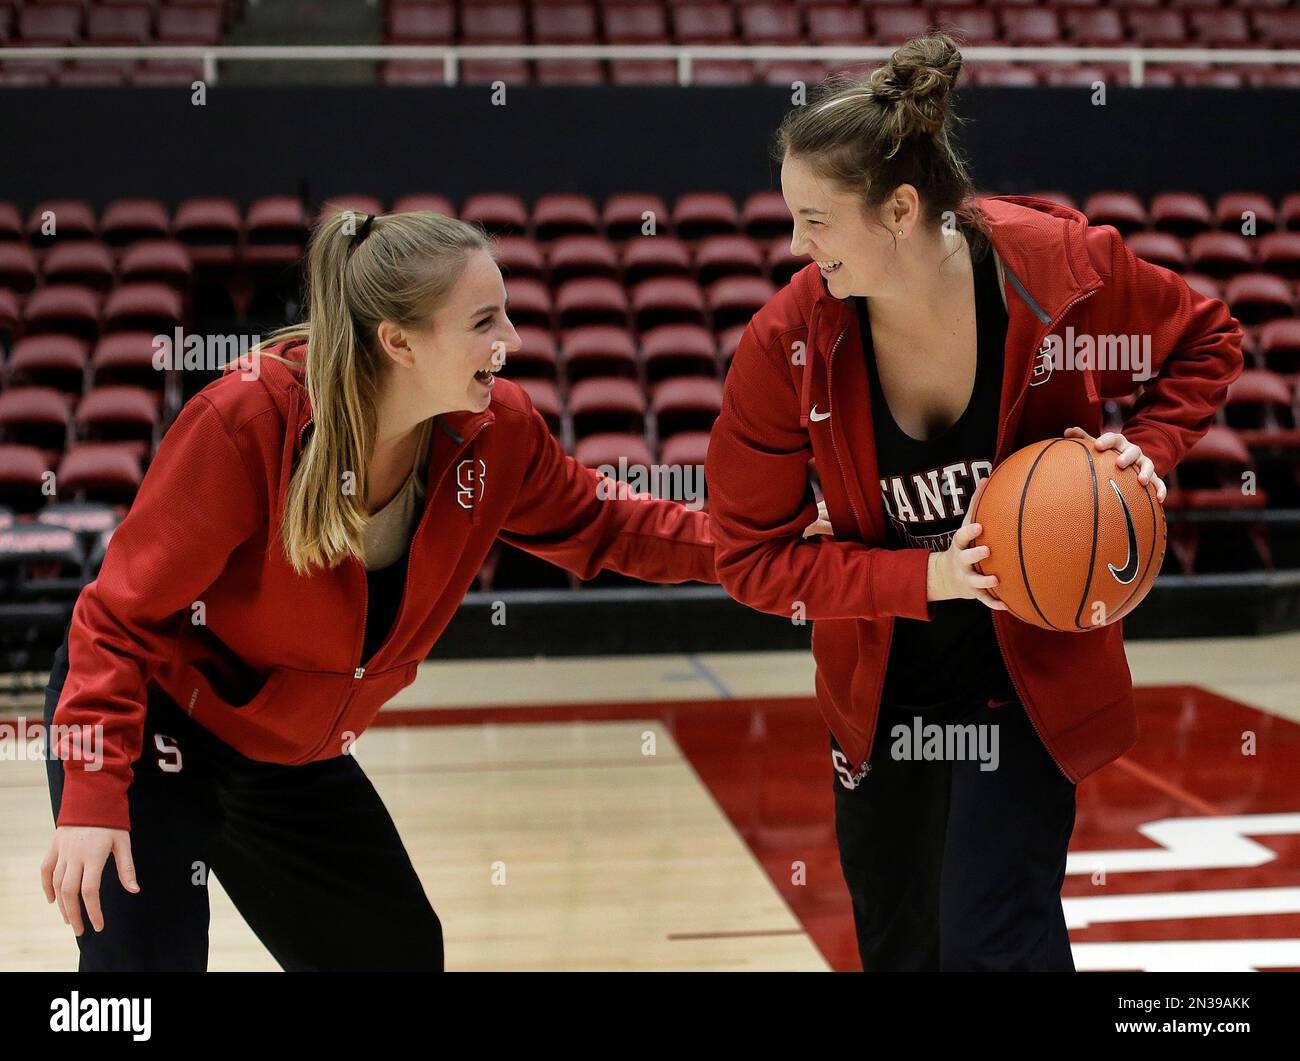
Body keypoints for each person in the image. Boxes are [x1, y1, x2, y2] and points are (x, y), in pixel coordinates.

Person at [41, 209, 722, 971]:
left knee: (395, 954)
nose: (515, 341)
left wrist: (753, 549)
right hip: (158, 717)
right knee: (137, 985)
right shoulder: (246, 420)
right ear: (399, 341)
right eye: (485, 320)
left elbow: (605, 522)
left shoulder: (498, 433)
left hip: (287, 747)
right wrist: (94, 790)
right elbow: (113, 618)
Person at [706, 34, 1243, 971]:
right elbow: (748, 557)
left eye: (815, 219)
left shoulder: (1056, 269)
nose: (795, 245)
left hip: (1028, 672)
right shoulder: (785, 341)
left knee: (994, 938)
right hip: (885, 695)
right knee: (906, 948)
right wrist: (932, 573)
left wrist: (1146, 451)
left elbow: (1208, 340)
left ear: (902, 208)